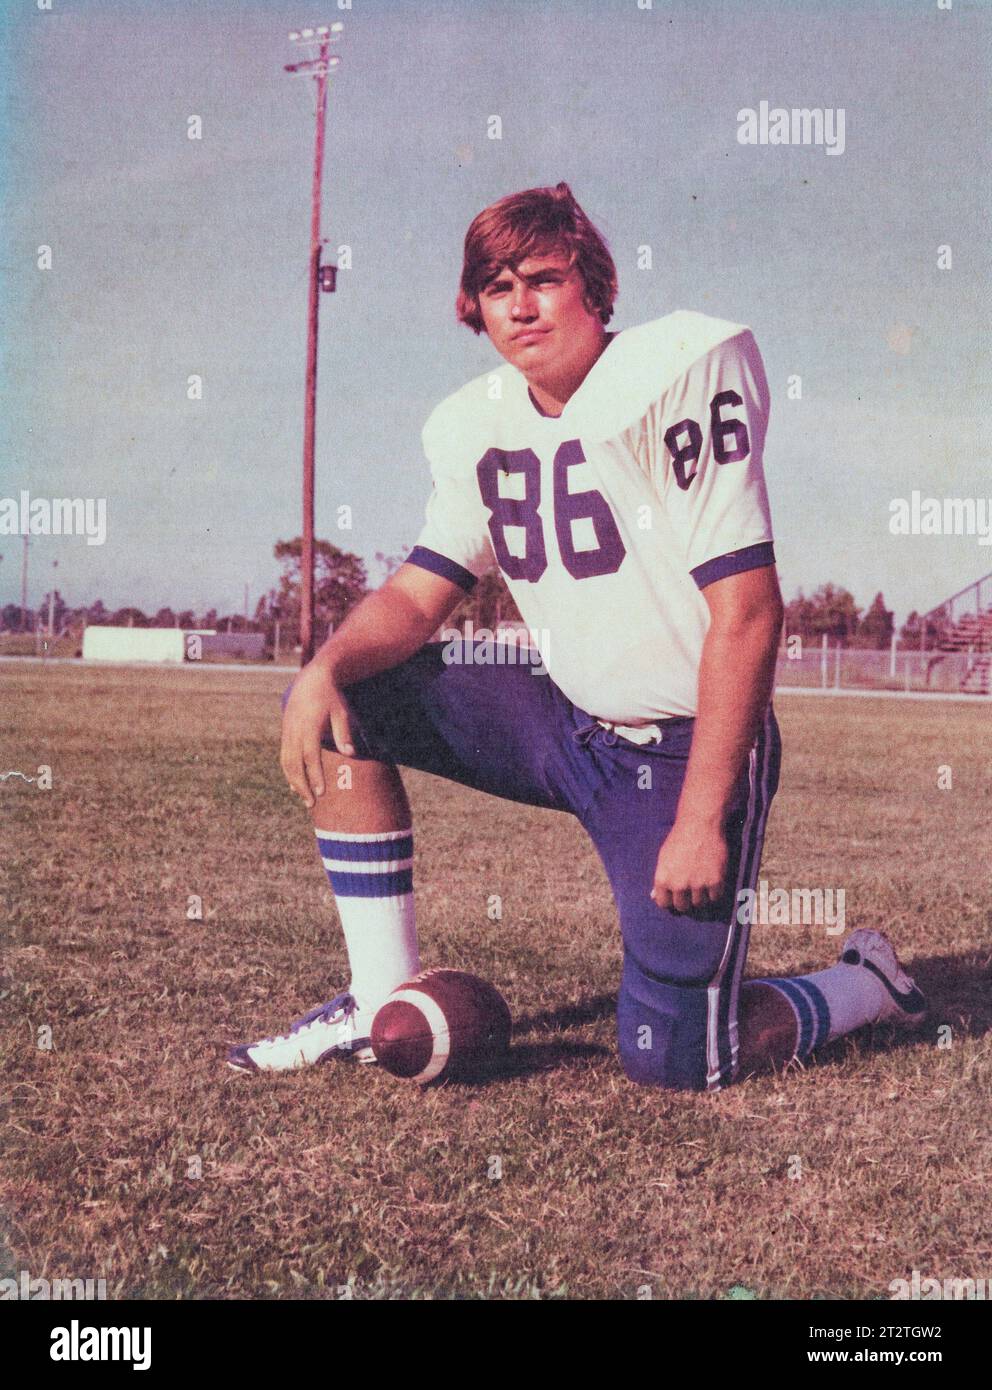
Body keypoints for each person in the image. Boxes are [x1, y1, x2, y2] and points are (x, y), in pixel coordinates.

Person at [228, 182, 926, 1090]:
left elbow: (749, 613)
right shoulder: (476, 422)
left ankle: (865, 984)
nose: (520, 304)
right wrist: (323, 665)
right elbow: (415, 596)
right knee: (345, 696)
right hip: (567, 722)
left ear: (593, 288)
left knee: (679, 1059)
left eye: (544, 279)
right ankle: (374, 992)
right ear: (473, 307)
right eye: (496, 286)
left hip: (683, 749)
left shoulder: (673, 378)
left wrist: (701, 817)